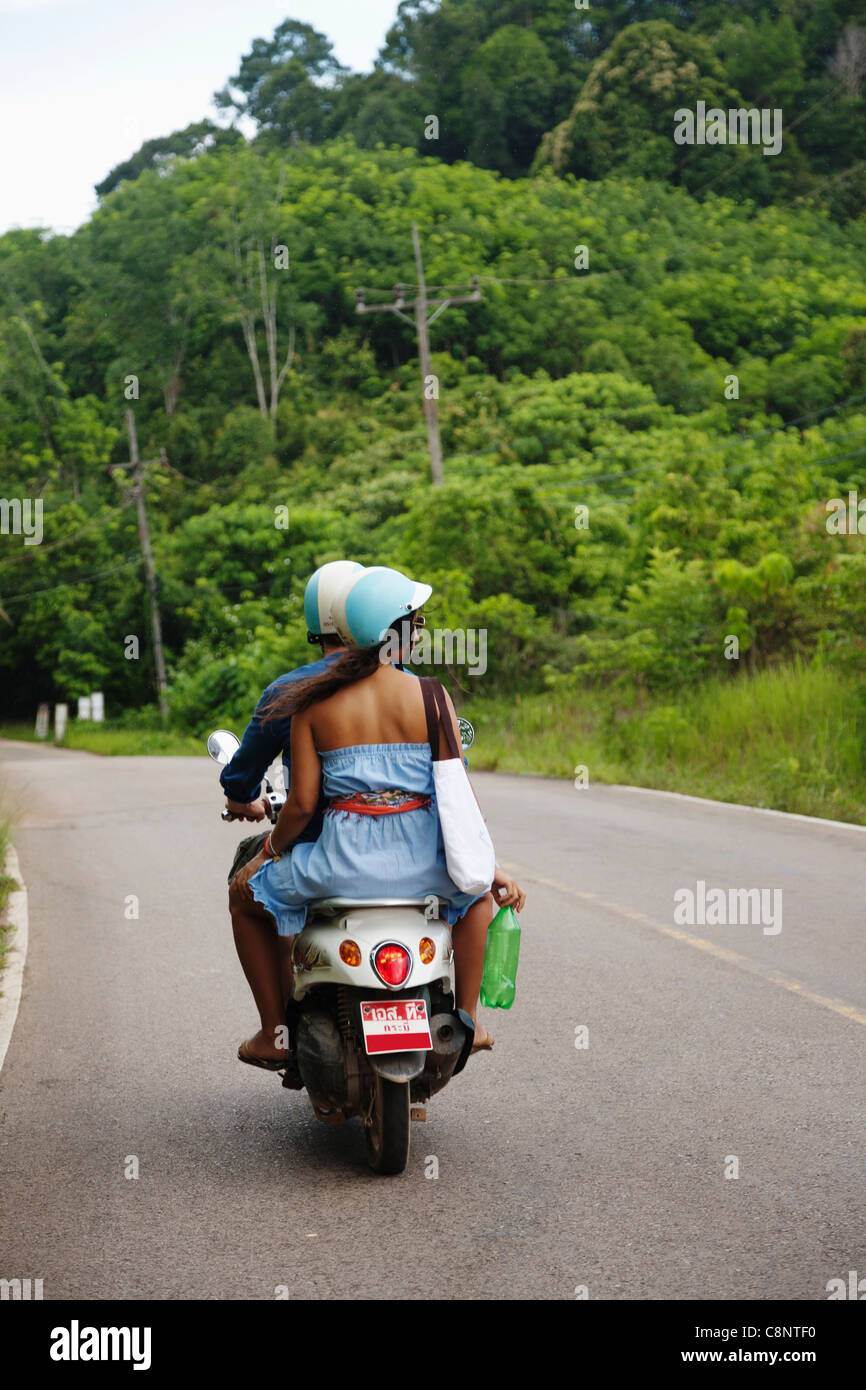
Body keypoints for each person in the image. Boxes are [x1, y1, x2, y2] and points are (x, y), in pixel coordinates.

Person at [228, 564, 526, 1070]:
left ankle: (275, 1033)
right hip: (423, 870)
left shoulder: (311, 703)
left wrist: (267, 857)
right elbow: (458, 798)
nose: (422, 633)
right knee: (475, 899)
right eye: (418, 624)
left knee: (243, 897)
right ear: (397, 633)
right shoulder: (433, 696)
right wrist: (490, 869)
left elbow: (300, 806)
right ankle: (468, 1023)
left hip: (339, 866)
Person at [220, 561, 364, 852]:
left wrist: (240, 797)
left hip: (314, 851)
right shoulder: (410, 687)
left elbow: (246, 770)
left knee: (242, 883)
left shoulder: (287, 691)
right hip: (405, 851)